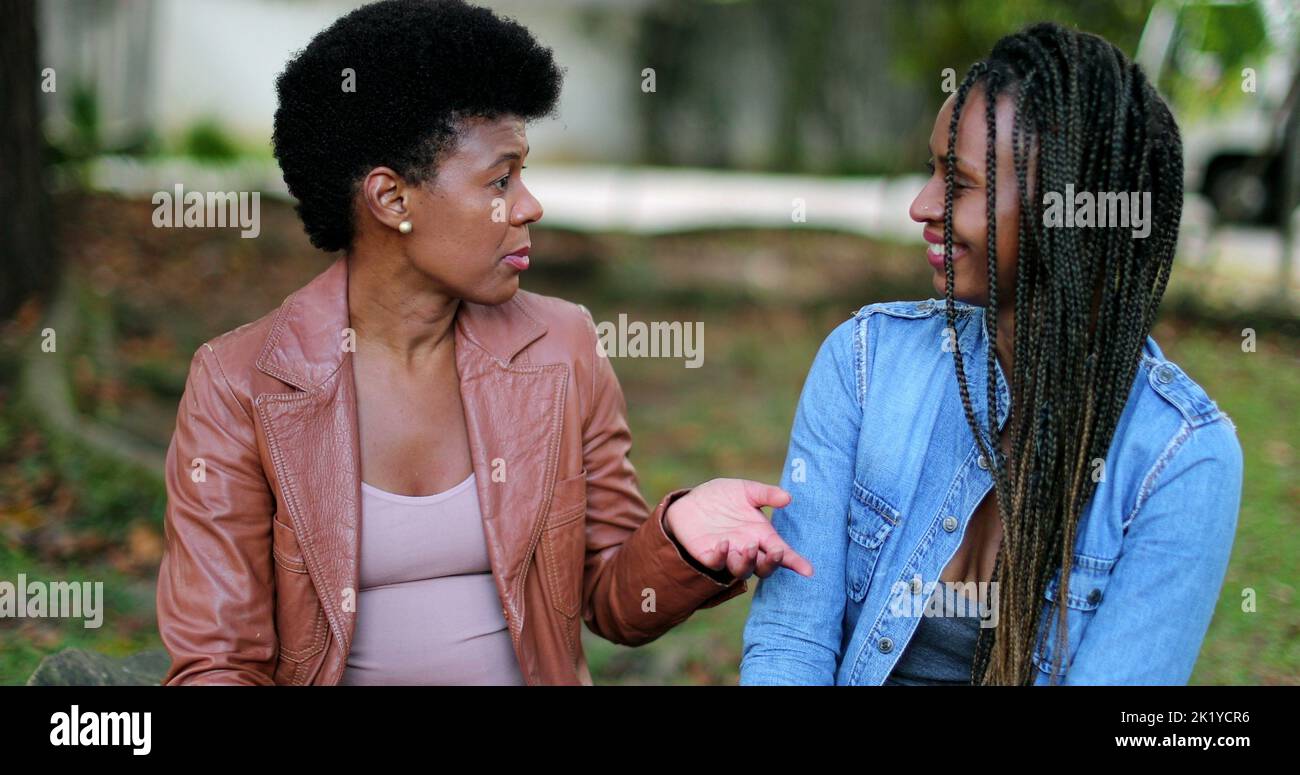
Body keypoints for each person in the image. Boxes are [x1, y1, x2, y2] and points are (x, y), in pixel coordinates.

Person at [155, 0, 809, 686]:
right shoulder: (242, 383)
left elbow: (612, 599)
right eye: (501, 179)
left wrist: (678, 539)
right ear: (391, 199)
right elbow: (218, 660)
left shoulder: (563, 347)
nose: (529, 205)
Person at [740, 22, 1242, 685]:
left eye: (961, 182)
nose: (923, 205)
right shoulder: (865, 362)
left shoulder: (1179, 459)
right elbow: (790, 640)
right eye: (932, 170)